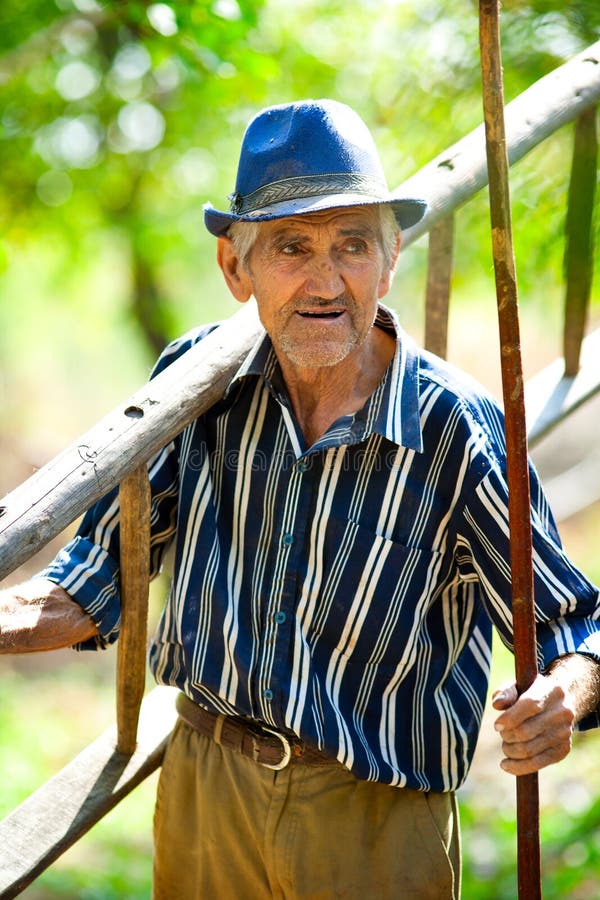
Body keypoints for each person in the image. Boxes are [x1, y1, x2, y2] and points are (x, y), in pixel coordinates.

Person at [2, 98, 600, 899]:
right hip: (205, 791)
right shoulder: (196, 387)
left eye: (352, 245)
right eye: (291, 247)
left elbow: (573, 623)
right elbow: (90, 586)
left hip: (375, 819)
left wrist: (564, 694)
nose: (326, 282)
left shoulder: (452, 428)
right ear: (234, 268)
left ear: (388, 264)